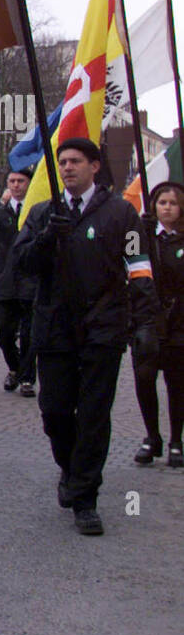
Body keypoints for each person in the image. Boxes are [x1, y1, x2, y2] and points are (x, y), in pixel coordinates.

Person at [13, 137, 158, 535]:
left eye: (76, 161)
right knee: (55, 411)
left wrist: (144, 323)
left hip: (103, 328)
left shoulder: (121, 213)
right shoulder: (44, 213)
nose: (67, 168)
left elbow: (139, 267)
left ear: (95, 166)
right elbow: (21, 264)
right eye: (62, 162)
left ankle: (85, 498)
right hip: (56, 327)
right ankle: (70, 468)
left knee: (94, 415)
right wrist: (45, 238)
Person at [132, 181, 184, 467]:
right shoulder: (143, 235)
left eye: (172, 203)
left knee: (176, 383)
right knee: (144, 379)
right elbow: (129, 261)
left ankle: (177, 439)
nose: (166, 208)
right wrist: (140, 232)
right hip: (147, 320)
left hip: (178, 321)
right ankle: (152, 436)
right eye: (162, 202)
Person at [0, 168, 37, 397]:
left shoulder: (37, 214)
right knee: (4, 333)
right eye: (12, 181)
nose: (16, 185)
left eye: (20, 181)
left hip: (31, 284)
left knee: (29, 335)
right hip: (5, 283)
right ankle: (15, 368)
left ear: (29, 183)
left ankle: (27, 379)